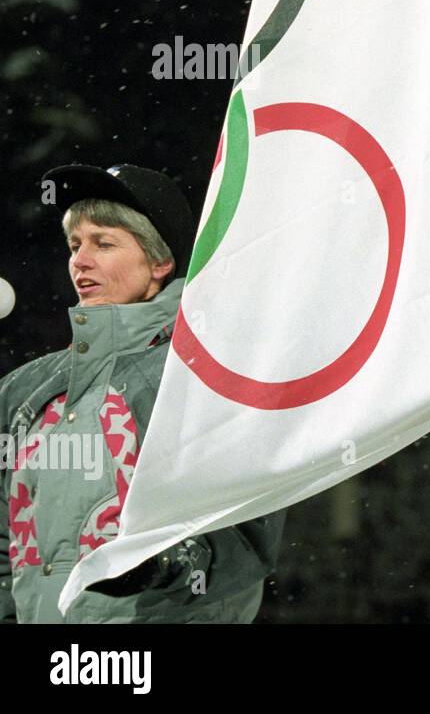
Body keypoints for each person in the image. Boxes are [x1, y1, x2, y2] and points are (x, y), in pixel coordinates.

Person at [0, 163, 285, 623]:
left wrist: (167, 564)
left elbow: (245, 531)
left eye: (104, 243)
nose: (80, 260)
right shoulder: (23, 390)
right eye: (75, 245)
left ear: (159, 263)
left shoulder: (199, 375)